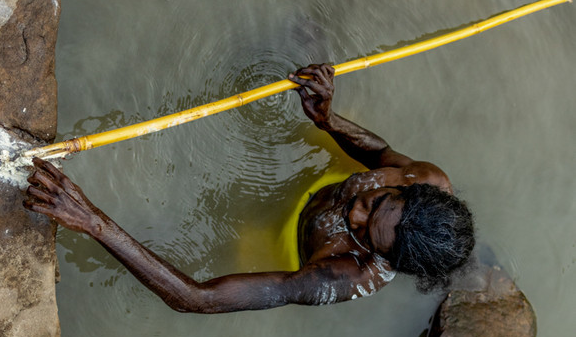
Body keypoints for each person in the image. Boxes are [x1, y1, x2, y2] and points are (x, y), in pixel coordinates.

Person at [24, 64, 474, 312]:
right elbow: (383, 154)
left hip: (282, 240)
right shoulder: (426, 179)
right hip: (311, 186)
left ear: (384, 258)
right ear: (407, 190)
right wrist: (328, 121)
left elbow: (196, 299)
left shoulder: (343, 275)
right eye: (374, 201)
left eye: (365, 229)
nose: (355, 211)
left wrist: (92, 221)